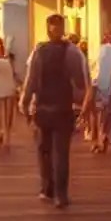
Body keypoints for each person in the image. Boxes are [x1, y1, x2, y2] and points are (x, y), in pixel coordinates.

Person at [20, 14, 91, 209]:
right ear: (62, 28)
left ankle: (47, 188)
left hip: (43, 109)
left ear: (47, 29)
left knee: (44, 151)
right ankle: (61, 195)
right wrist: (83, 107)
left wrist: (24, 103)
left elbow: (31, 81)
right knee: (61, 153)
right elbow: (82, 83)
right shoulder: (73, 52)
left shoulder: (39, 51)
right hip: (63, 109)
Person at [90, 32, 111, 153]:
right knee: (108, 116)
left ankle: (96, 140)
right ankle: (104, 136)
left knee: (96, 115)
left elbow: (94, 70)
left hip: (98, 87)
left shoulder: (99, 52)